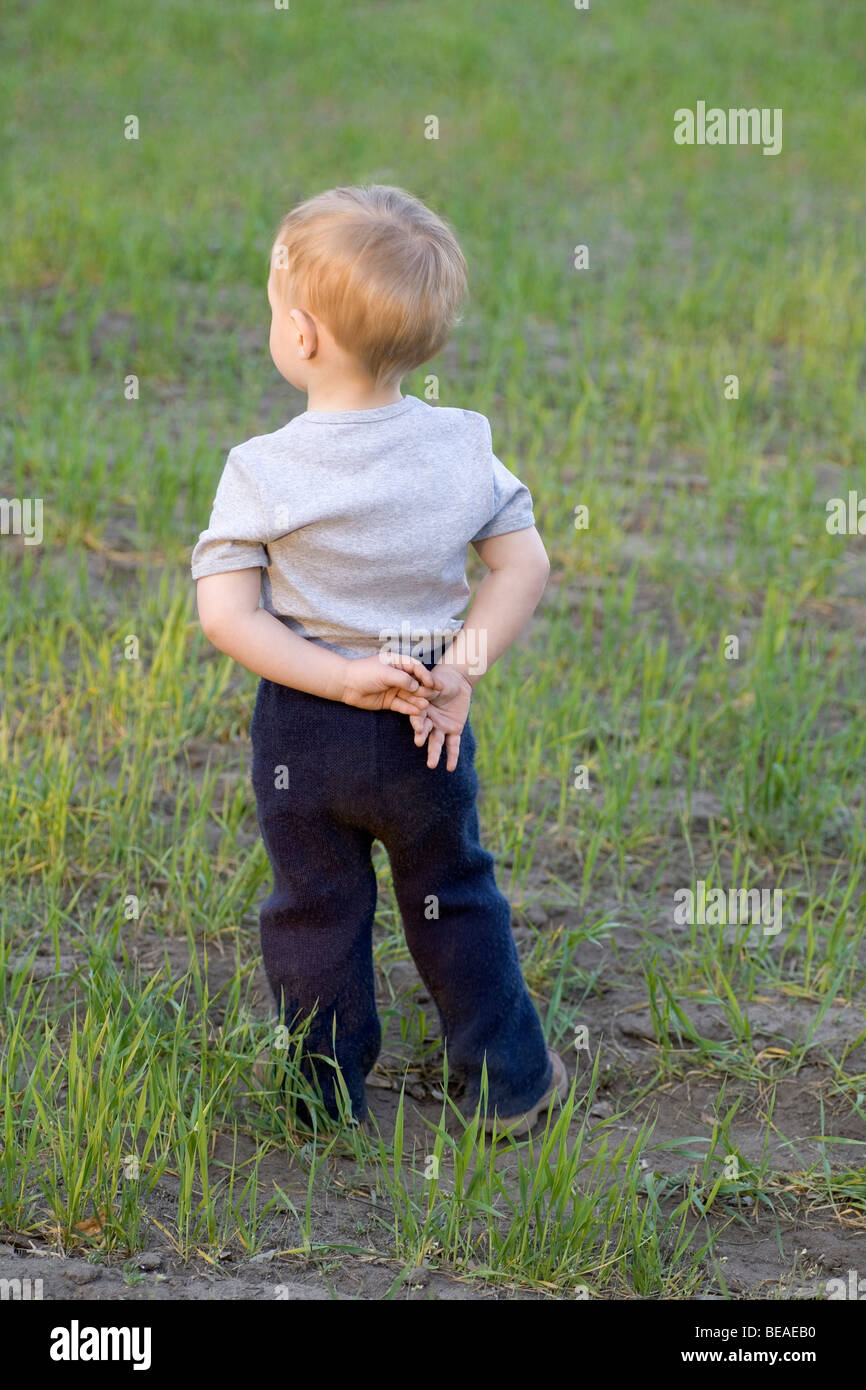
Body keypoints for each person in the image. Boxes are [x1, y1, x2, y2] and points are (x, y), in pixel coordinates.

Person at [191, 184, 567, 1134]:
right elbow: (523, 562)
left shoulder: (264, 469)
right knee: (453, 890)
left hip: (304, 735)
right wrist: (464, 667)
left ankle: (322, 1099)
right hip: (425, 719)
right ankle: (508, 1083)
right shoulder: (460, 445)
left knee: (316, 908)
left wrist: (333, 675)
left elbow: (227, 614)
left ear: (303, 336)